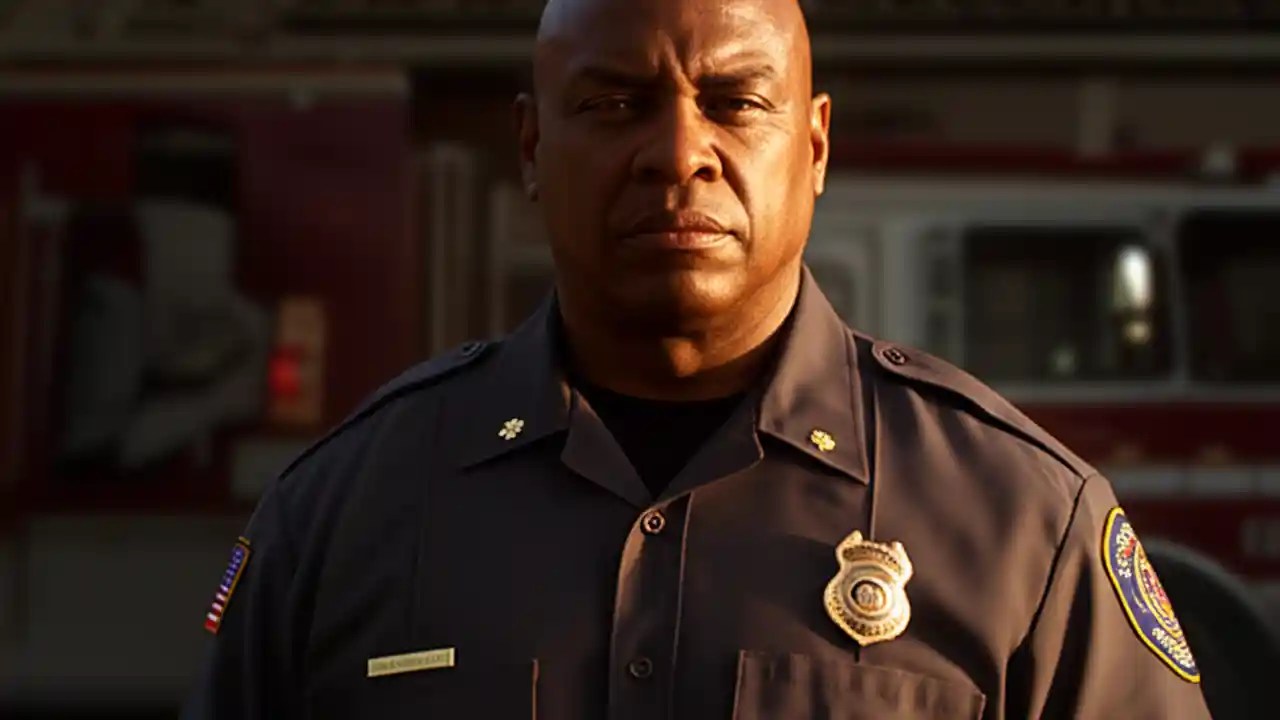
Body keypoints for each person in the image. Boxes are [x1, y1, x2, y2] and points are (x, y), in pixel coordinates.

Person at [183, 0, 1214, 717]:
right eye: (616, 104)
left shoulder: (1022, 527)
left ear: (812, 149)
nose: (679, 152)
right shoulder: (339, 516)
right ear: (533, 149)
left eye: (733, 101)